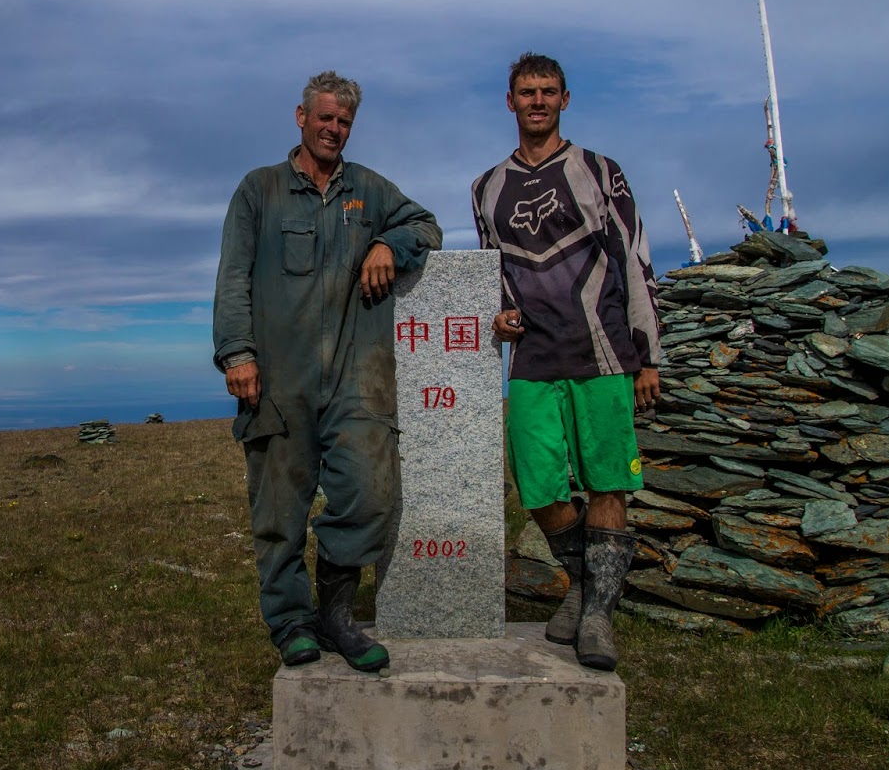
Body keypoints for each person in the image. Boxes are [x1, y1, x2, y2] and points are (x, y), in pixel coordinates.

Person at [214, 70, 442, 673]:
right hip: (276, 381)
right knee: (278, 513)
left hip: (354, 379)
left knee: (370, 492)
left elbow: (426, 224)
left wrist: (389, 245)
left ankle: (336, 615)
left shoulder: (369, 189)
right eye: (324, 118)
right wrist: (237, 353)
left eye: (344, 121)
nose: (333, 129)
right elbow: (233, 276)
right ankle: (291, 622)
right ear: (301, 117)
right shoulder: (259, 190)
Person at [470, 51, 661, 671]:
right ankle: (582, 583)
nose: (538, 101)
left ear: (565, 99)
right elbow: (494, 271)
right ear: (510, 102)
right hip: (532, 357)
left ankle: (597, 613)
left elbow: (634, 259)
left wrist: (649, 356)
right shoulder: (486, 187)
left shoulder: (600, 171)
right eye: (527, 92)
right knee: (538, 486)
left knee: (607, 481)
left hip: (601, 349)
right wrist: (498, 314)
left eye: (548, 91)